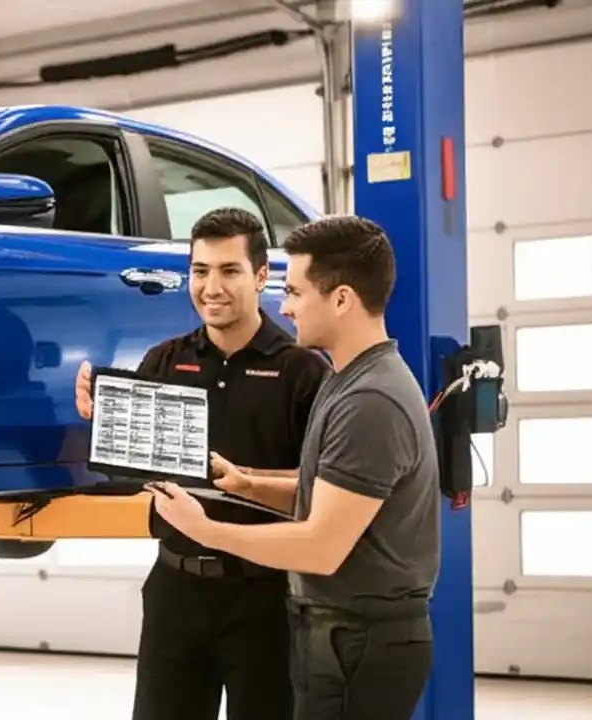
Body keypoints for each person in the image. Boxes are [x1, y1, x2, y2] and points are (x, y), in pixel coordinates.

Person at [147, 215, 441, 720]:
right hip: (335, 631)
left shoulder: (369, 399)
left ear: (342, 299)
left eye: (297, 292)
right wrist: (250, 485)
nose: (284, 306)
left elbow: (321, 546)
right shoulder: (347, 381)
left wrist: (207, 530)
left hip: (358, 637)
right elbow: (322, 494)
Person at [74, 207, 329, 720]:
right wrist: (107, 419)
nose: (212, 287)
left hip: (265, 599)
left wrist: (249, 482)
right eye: (200, 271)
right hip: (175, 590)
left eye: (229, 271)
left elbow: (323, 488)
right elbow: (135, 475)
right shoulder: (162, 362)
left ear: (261, 276)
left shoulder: (302, 372)